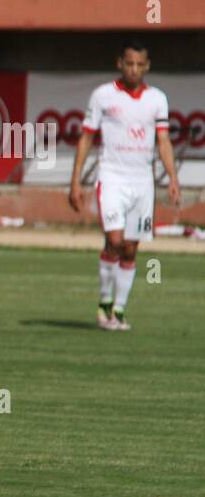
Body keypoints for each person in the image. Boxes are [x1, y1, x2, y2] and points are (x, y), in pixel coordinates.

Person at [67, 42, 179, 331]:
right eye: (129, 63)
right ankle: (104, 303)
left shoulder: (157, 99)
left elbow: (163, 141)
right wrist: (75, 180)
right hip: (112, 177)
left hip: (143, 182)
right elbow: (86, 137)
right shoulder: (103, 95)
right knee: (115, 241)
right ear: (120, 63)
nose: (134, 69)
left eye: (140, 64)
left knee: (130, 249)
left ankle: (119, 309)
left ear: (147, 66)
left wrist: (173, 179)